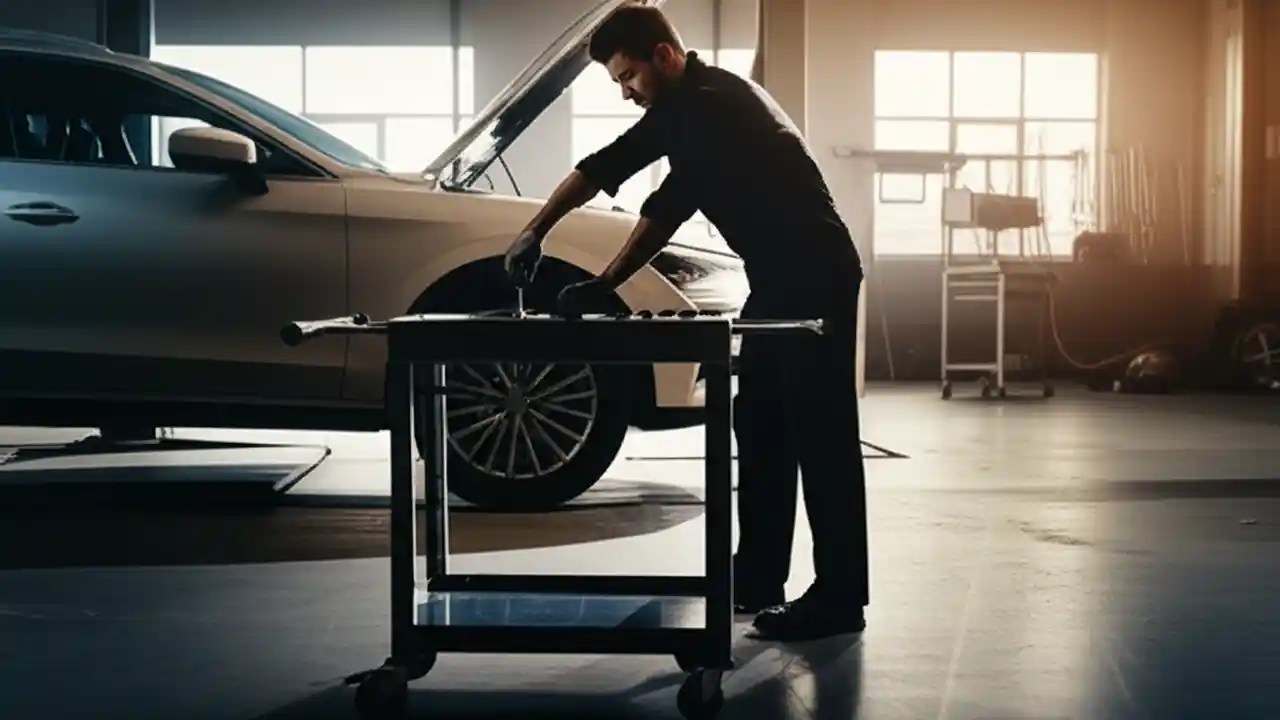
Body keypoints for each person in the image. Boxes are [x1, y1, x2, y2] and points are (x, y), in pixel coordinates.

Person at [504, 4, 867, 642]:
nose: (625, 93)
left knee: (822, 437)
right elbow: (601, 165)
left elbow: (667, 207)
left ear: (664, 57)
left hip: (816, 277)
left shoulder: (714, 107)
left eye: (628, 77)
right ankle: (756, 577)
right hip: (777, 281)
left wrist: (604, 284)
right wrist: (534, 230)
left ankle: (839, 599)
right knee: (760, 431)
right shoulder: (677, 106)